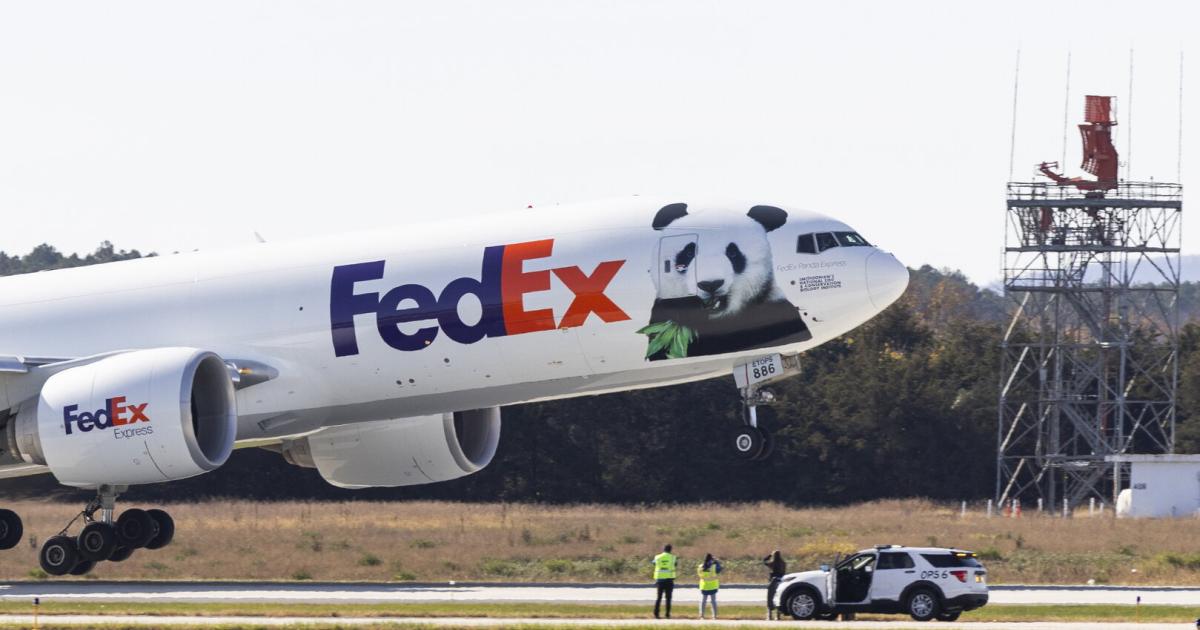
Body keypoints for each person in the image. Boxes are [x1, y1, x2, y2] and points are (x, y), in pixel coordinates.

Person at [651, 544, 677, 619]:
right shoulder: (673, 558)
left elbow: (653, 563)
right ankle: (667, 614)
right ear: (670, 550)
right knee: (668, 598)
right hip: (669, 580)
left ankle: (656, 614)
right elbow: (675, 565)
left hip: (660, 580)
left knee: (659, 597)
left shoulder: (657, 557)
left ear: (663, 549)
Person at [697, 552, 722, 620]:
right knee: (713, 601)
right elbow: (720, 569)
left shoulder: (700, 567)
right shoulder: (714, 567)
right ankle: (714, 616)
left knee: (703, 601)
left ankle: (702, 616)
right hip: (712, 586)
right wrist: (716, 561)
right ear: (711, 559)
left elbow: (699, 575)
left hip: (704, 586)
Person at [763, 549, 787, 619]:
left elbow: (764, 561)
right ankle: (778, 615)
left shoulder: (773, 563)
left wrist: (770, 555)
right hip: (781, 581)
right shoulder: (783, 563)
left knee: (770, 597)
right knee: (779, 597)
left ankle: (770, 615)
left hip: (773, 581)